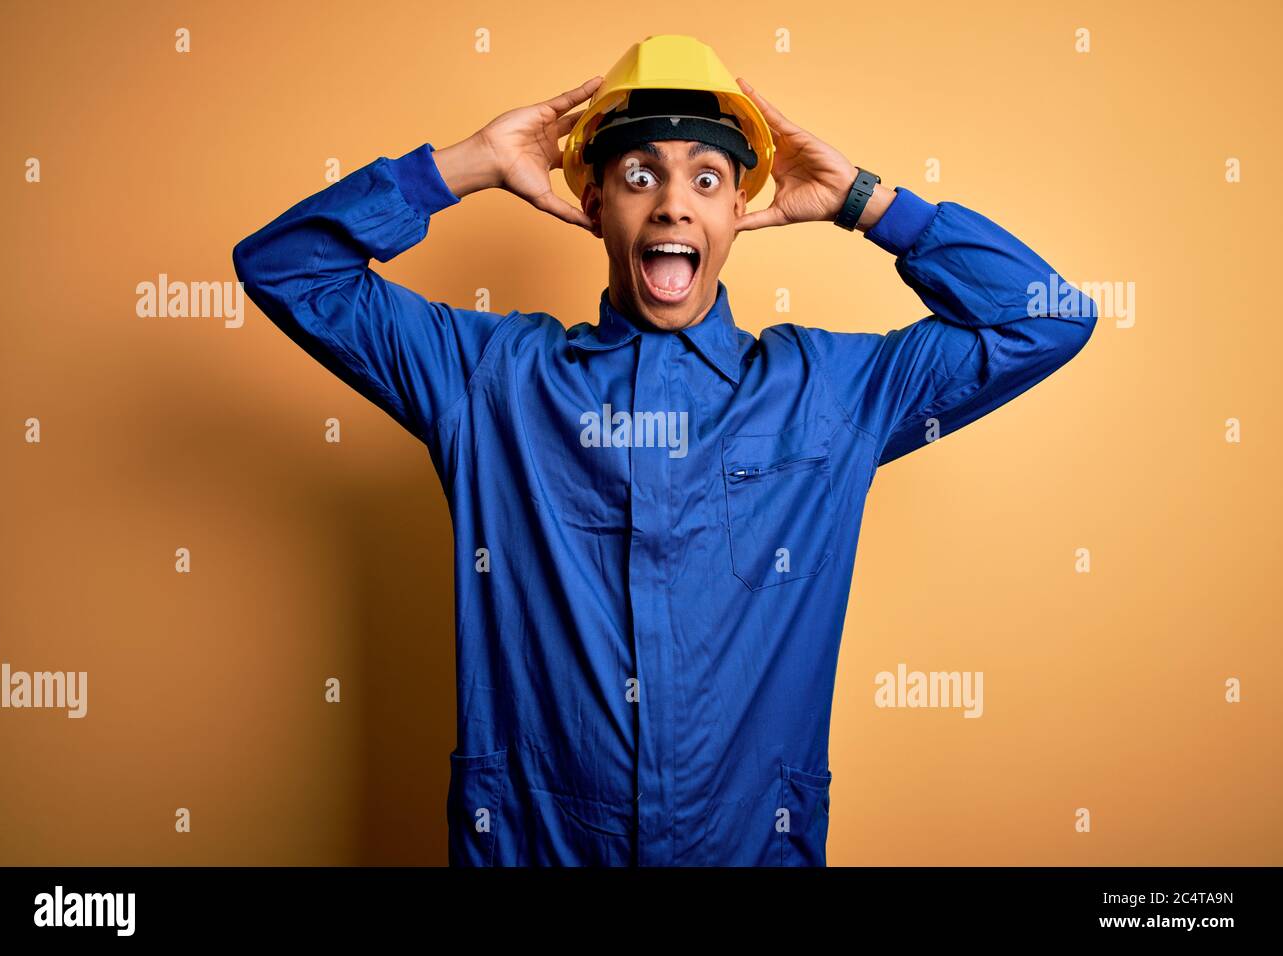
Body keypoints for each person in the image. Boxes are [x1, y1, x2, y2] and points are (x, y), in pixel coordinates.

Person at [232, 35, 1097, 866]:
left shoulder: (828, 392)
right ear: (595, 205)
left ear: (736, 211)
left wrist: (866, 201)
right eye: (640, 176)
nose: (673, 203)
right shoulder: (490, 379)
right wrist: (467, 164)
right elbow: (285, 269)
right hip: (537, 844)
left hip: (751, 846)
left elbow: (1051, 315)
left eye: (708, 179)